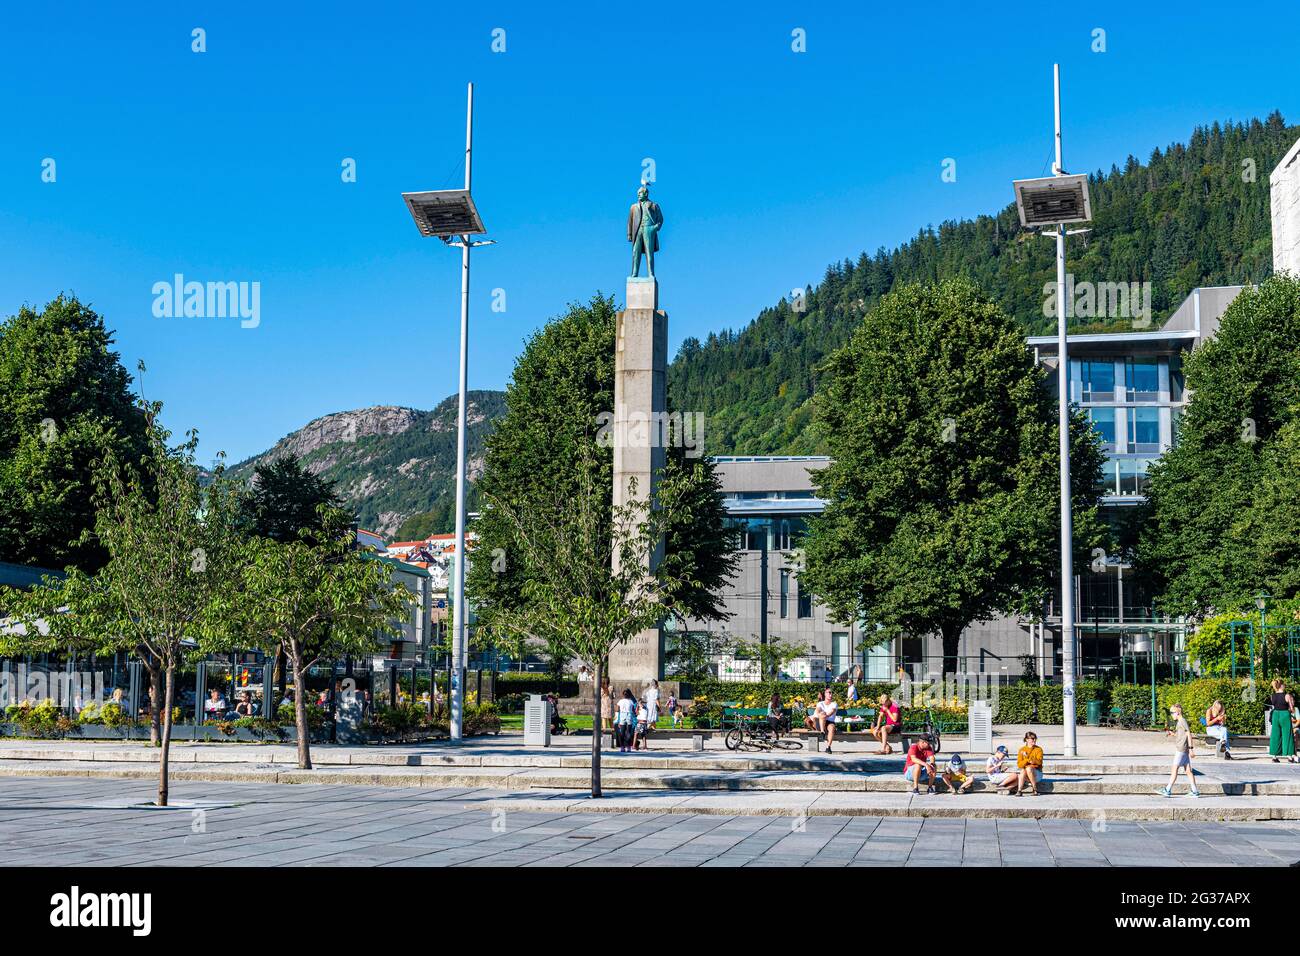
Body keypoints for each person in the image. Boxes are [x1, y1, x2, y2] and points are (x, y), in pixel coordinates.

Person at [1157, 703, 1201, 797]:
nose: (1171, 715)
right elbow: (1181, 735)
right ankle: (1194, 791)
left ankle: (1167, 790)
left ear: (1177, 712)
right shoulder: (1180, 722)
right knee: (1188, 771)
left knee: (1174, 769)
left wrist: (1191, 749)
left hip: (1181, 749)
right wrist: (1173, 734)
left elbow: (1189, 734)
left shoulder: (1182, 721)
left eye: (1172, 713)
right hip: (1183, 749)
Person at [1267, 679, 1297, 764]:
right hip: (1285, 714)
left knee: (1275, 735)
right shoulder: (1287, 695)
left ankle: (1274, 756)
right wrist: (1291, 709)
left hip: (1275, 715)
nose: (1285, 685)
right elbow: (1292, 709)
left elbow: (1274, 705)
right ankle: (1289, 756)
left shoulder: (1272, 696)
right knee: (1287, 735)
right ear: (1281, 685)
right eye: (1284, 684)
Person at [1015, 731, 1044, 796]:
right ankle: (1019, 790)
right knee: (1023, 770)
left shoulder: (1038, 749)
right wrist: (1027, 760)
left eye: (1035, 738)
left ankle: (1035, 789)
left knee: (1028, 768)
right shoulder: (1022, 749)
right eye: (1032, 738)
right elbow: (1019, 765)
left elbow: (1039, 762)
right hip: (1026, 775)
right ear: (1026, 740)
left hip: (1037, 774)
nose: (1034, 740)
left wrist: (1029, 760)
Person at [814, 688, 838, 754]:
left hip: (829, 722)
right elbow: (818, 710)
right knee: (822, 714)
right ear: (825, 694)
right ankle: (822, 731)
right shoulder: (820, 703)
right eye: (829, 692)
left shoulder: (834, 704)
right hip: (820, 723)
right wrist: (821, 715)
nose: (831, 694)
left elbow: (832, 712)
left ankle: (828, 747)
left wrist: (824, 716)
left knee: (832, 727)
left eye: (831, 693)